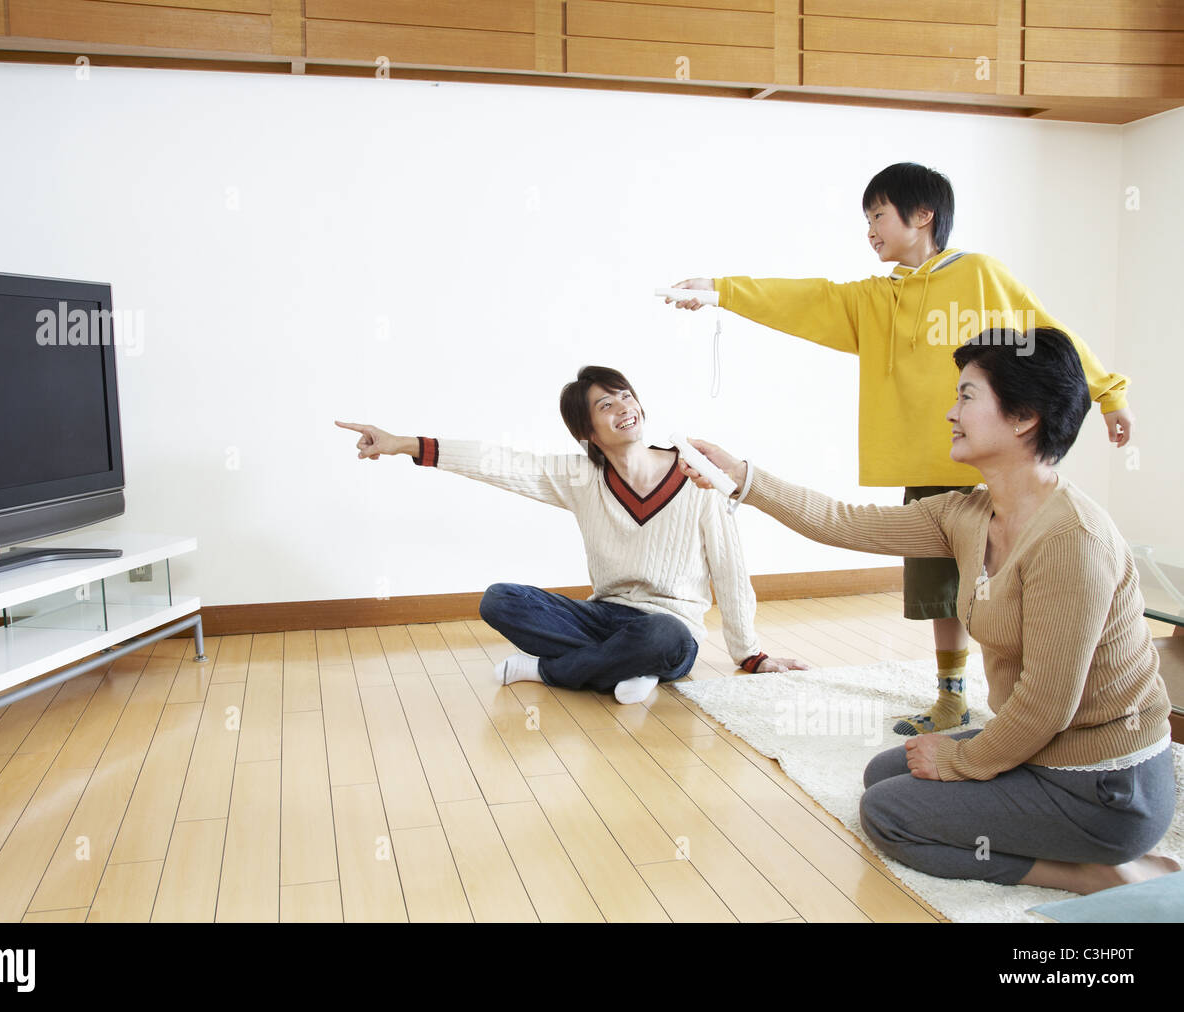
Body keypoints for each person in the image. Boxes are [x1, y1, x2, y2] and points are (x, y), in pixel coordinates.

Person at [677, 328, 1177, 892]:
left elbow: (1047, 704)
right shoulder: (971, 514)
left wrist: (962, 761)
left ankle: (1099, 874)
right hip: (1046, 749)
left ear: (1022, 418)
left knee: (891, 815)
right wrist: (743, 476)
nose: (949, 412)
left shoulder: (1073, 540)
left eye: (966, 396)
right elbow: (845, 521)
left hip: (1104, 787)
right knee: (884, 773)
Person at [665, 162, 1136, 738]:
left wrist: (1108, 393)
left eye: (879, 214)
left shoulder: (981, 277)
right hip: (930, 466)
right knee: (941, 594)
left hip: (999, 469)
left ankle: (1040, 700)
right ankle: (952, 697)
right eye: (866, 218)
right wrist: (721, 292)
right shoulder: (874, 301)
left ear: (922, 215)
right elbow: (806, 300)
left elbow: (1044, 332)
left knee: (1017, 589)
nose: (870, 228)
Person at [336, 365, 804, 705]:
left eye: (625, 396)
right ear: (588, 432)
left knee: (662, 635)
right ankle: (627, 671)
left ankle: (548, 671)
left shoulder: (694, 475)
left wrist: (750, 655)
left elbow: (730, 569)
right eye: (606, 404)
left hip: (669, 629)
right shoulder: (582, 478)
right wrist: (405, 445)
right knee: (499, 600)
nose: (624, 407)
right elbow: (500, 462)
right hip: (603, 616)